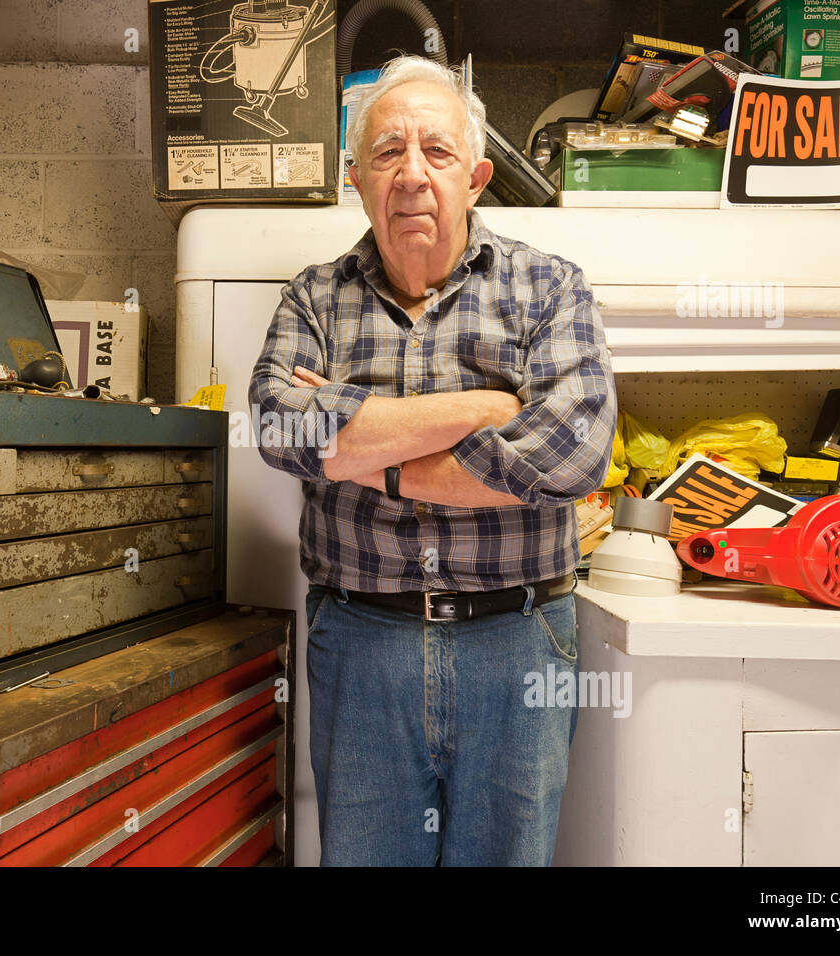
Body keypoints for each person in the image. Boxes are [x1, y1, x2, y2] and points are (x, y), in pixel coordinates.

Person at [248, 55, 617, 866]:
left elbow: (573, 453)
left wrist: (363, 452)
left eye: (437, 153)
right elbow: (281, 427)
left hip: (518, 645)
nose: (412, 175)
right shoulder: (314, 297)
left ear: (477, 176)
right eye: (387, 152)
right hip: (361, 644)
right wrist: (487, 410)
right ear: (355, 176)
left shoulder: (550, 288)